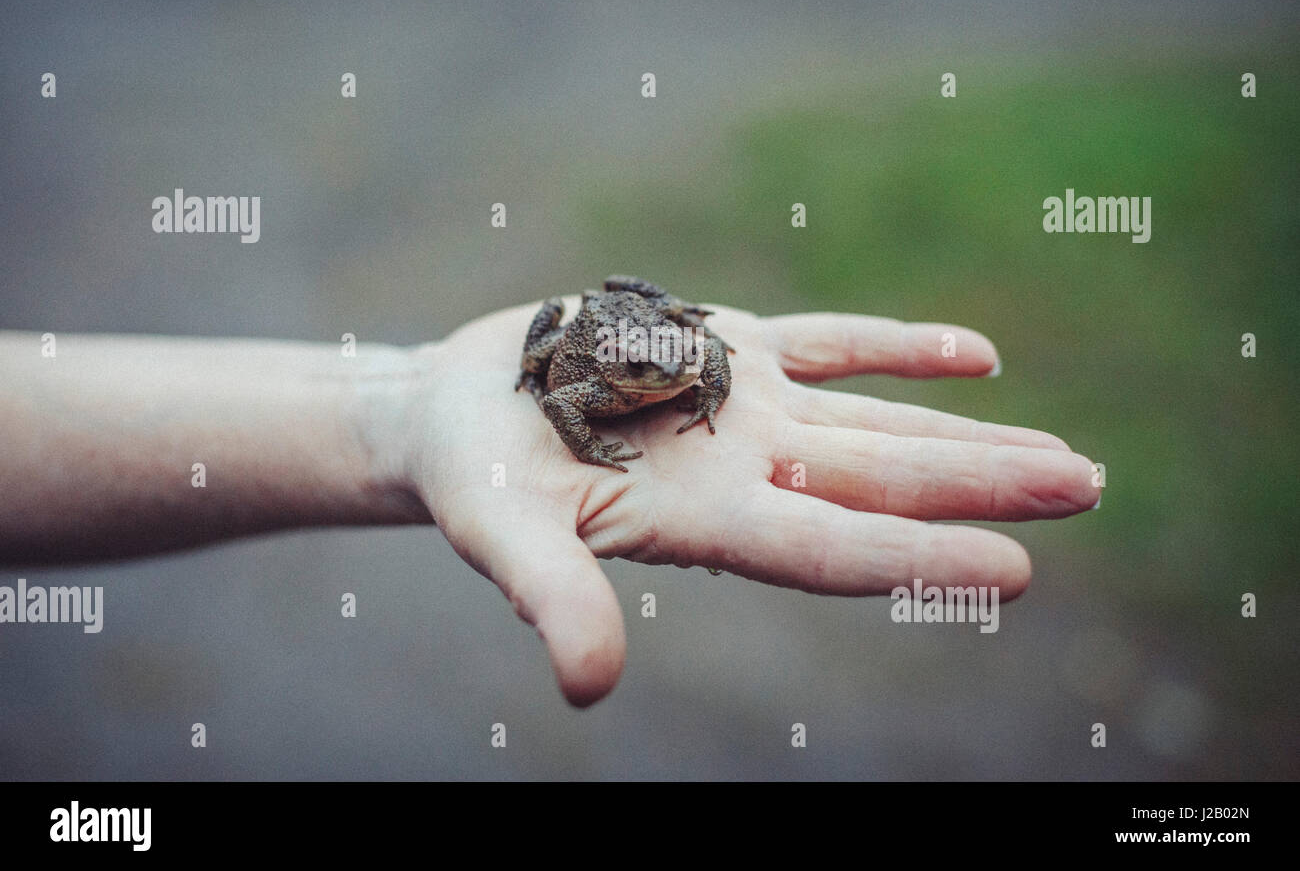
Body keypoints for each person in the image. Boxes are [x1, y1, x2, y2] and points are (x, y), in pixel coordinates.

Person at [0, 296, 1099, 707]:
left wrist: (698, 382)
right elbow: (568, 401)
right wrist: (481, 402)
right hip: (582, 334)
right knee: (546, 360)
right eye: (663, 376)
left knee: (687, 351)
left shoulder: (683, 356)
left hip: (635, 322)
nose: (681, 380)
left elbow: (706, 357)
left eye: (684, 363)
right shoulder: (589, 375)